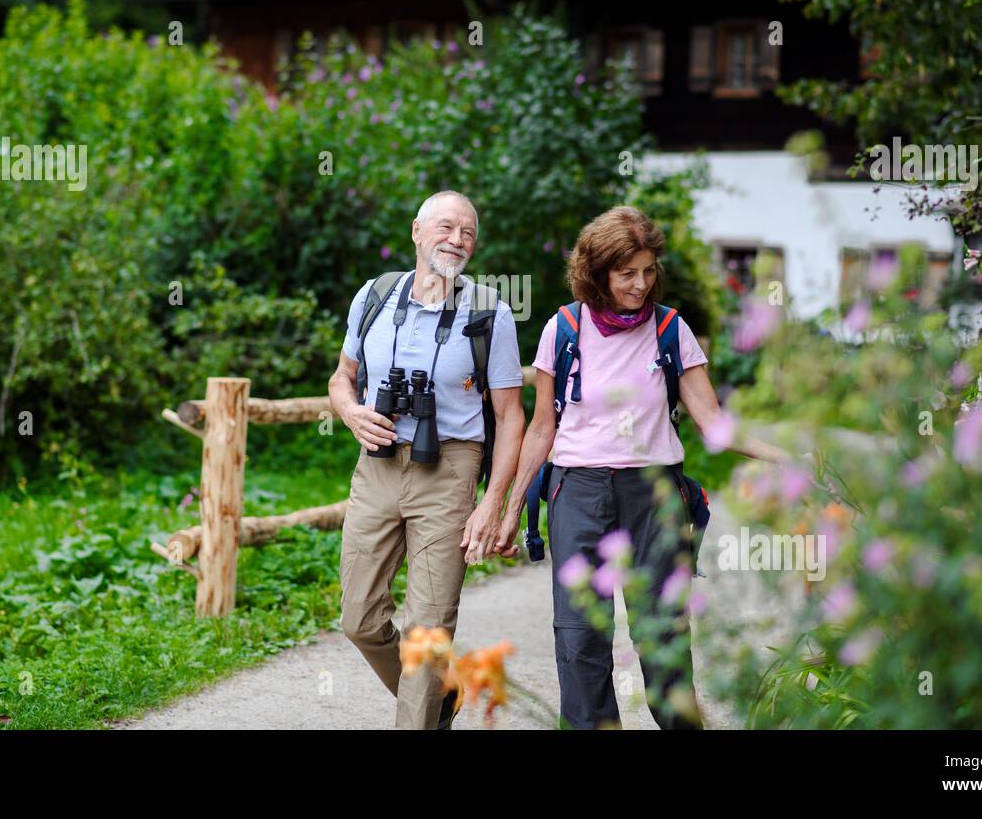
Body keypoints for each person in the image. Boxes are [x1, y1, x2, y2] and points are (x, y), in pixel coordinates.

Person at [497, 205, 791, 729]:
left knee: (662, 638)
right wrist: (510, 507)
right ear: (598, 272)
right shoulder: (562, 329)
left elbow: (713, 423)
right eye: (626, 273)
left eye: (649, 270)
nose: (640, 284)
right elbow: (542, 428)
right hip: (577, 491)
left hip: (654, 497)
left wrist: (785, 458)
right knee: (580, 637)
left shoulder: (669, 330)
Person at [327, 190, 525, 729]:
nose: (456, 239)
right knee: (359, 619)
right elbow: (341, 377)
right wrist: (348, 411)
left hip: (451, 466)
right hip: (378, 460)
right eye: (445, 227)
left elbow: (510, 417)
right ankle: (442, 694)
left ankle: (420, 709)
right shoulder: (374, 296)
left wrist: (492, 502)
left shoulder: (490, 312)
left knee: (428, 628)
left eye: (467, 233)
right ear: (416, 231)